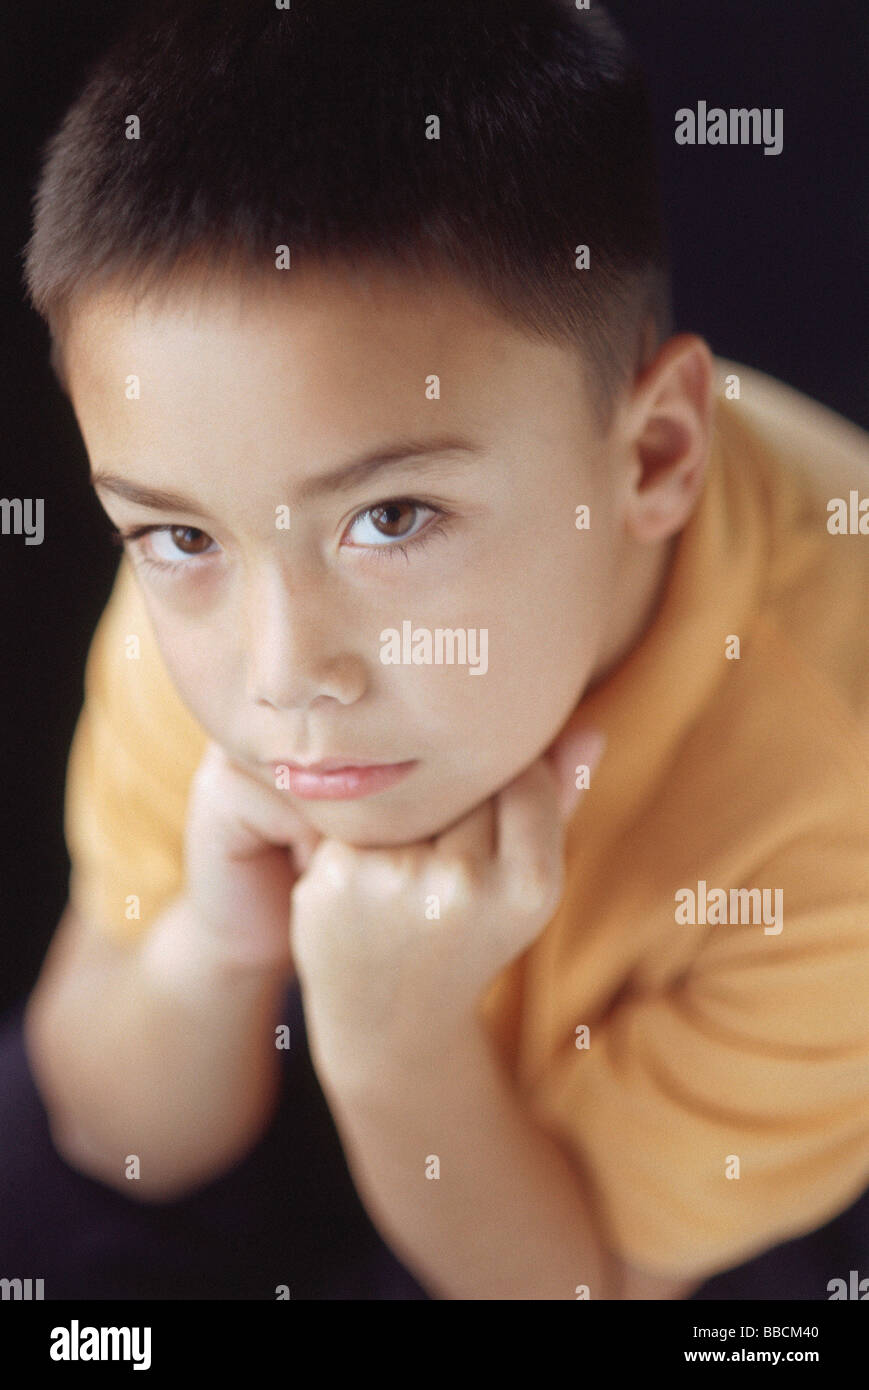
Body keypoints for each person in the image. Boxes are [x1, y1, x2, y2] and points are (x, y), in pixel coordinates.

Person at [9, 0, 869, 1299]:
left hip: (650, 1195)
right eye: (175, 534)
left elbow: (581, 1277)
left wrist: (390, 1042)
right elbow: (111, 1134)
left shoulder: (837, 776)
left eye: (392, 518)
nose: (282, 673)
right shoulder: (229, 566)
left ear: (652, 457)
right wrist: (217, 945)